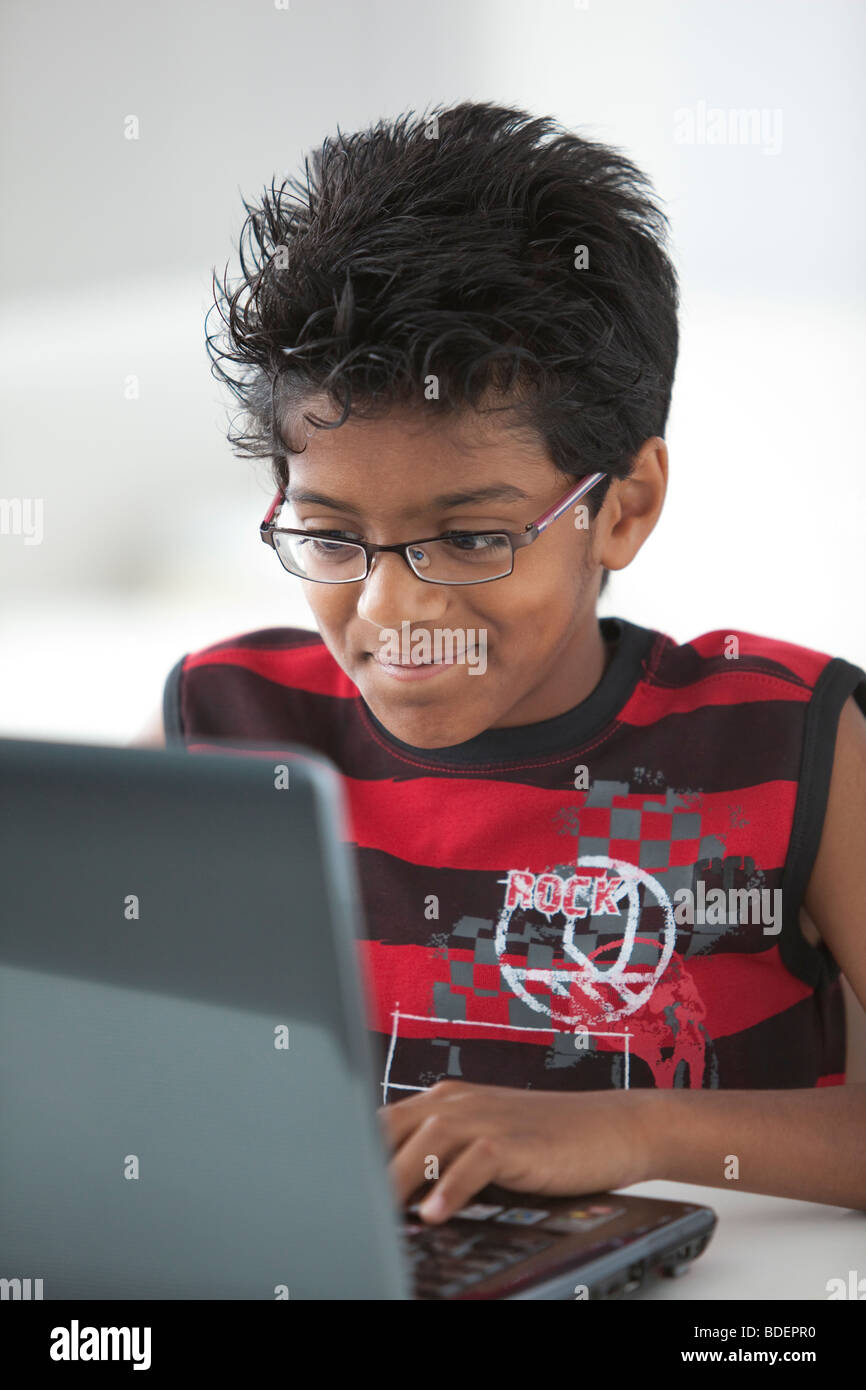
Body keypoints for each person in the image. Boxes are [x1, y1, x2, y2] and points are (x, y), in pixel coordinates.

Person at [134, 101, 866, 1221]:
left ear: (624, 509)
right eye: (332, 536)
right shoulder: (225, 727)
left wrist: (630, 1130)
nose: (393, 606)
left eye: (472, 538)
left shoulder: (781, 740)